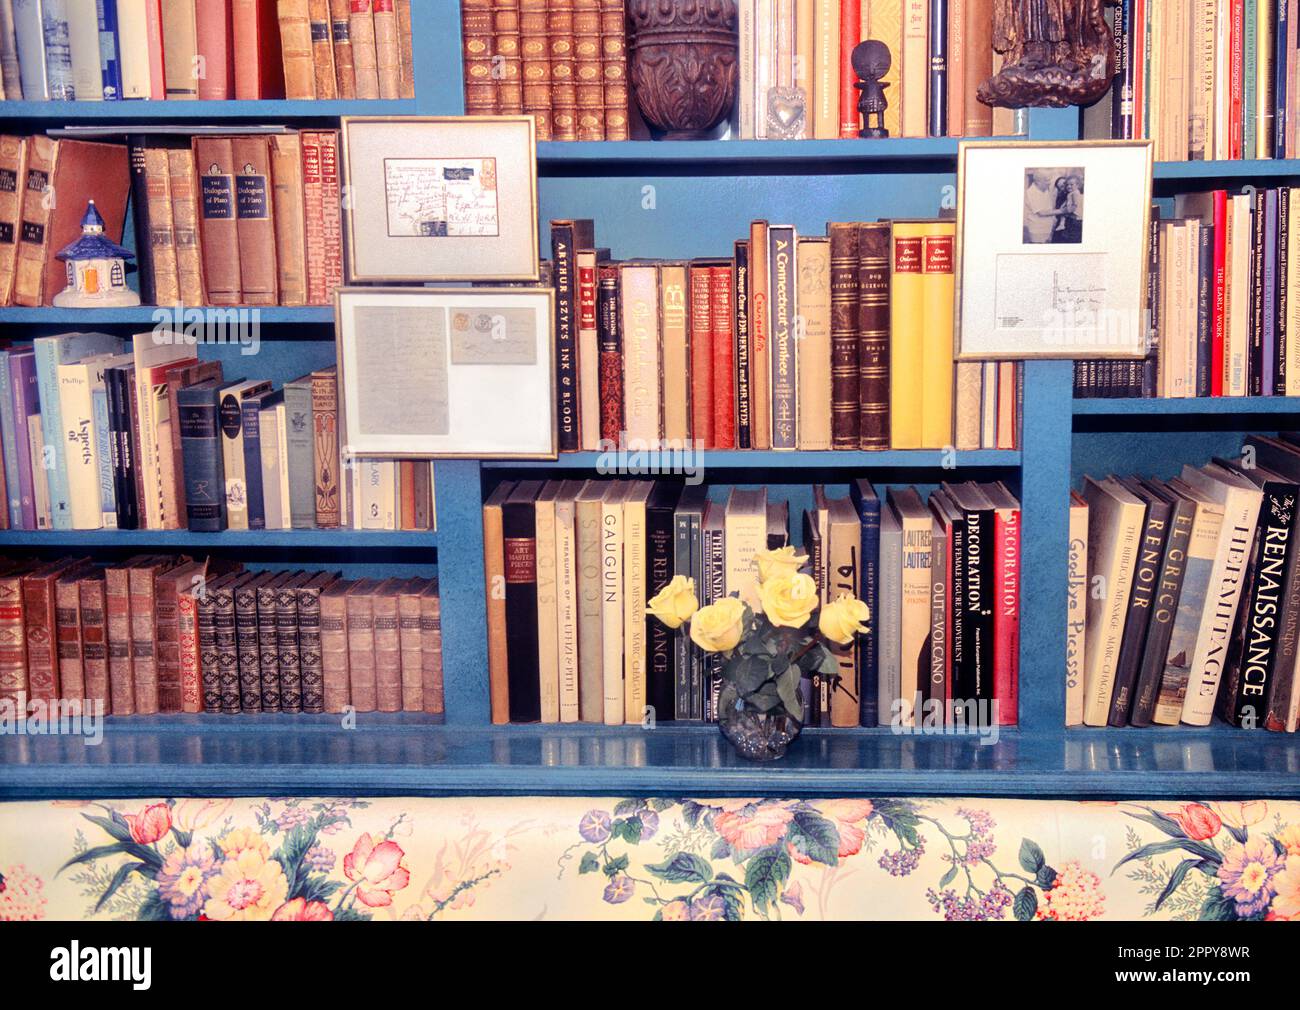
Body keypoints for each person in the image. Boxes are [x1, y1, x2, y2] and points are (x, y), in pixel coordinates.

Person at [1023, 169, 1061, 243]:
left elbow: (1049, 206)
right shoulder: (1031, 193)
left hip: (1047, 227)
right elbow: (1042, 213)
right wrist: (1063, 211)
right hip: (1038, 230)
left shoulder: (1044, 189)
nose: (1049, 183)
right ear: (1038, 181)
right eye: (1047, 180)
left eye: (1050, 180)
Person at [1055, 174, 1083, 243]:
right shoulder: (1070, 193)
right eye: (1067, 185)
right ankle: (1062, 224)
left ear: (1078, 185)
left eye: (1071, 184)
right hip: (1070, 215)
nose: (1068, 186)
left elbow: (1075, 205)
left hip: (1074, 217)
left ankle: (1062, 224)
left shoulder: (1075, 193)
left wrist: (1068, 210)